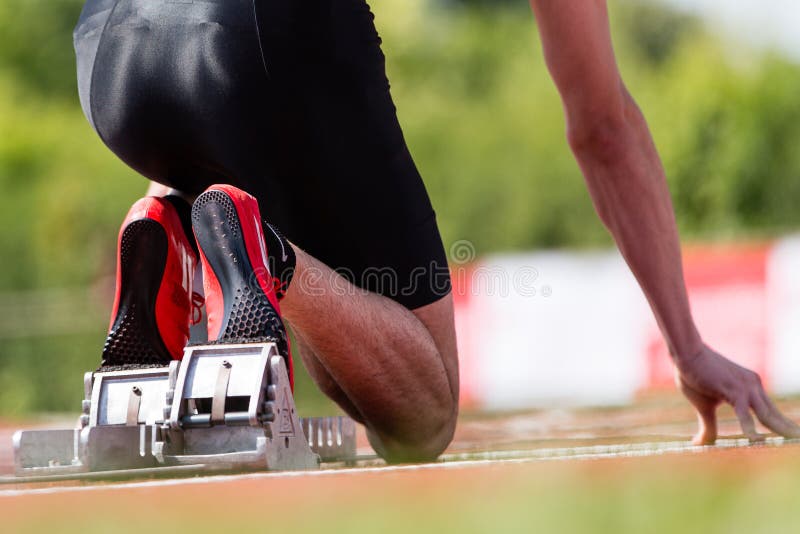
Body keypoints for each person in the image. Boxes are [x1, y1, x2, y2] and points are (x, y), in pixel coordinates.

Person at [73, 0, 799, 467]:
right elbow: (602, 127)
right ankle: (259, 249)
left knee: (258, 207)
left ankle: (175, 217)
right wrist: (687, 344)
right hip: (261, 37)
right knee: (420, 418)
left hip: (109, 56)